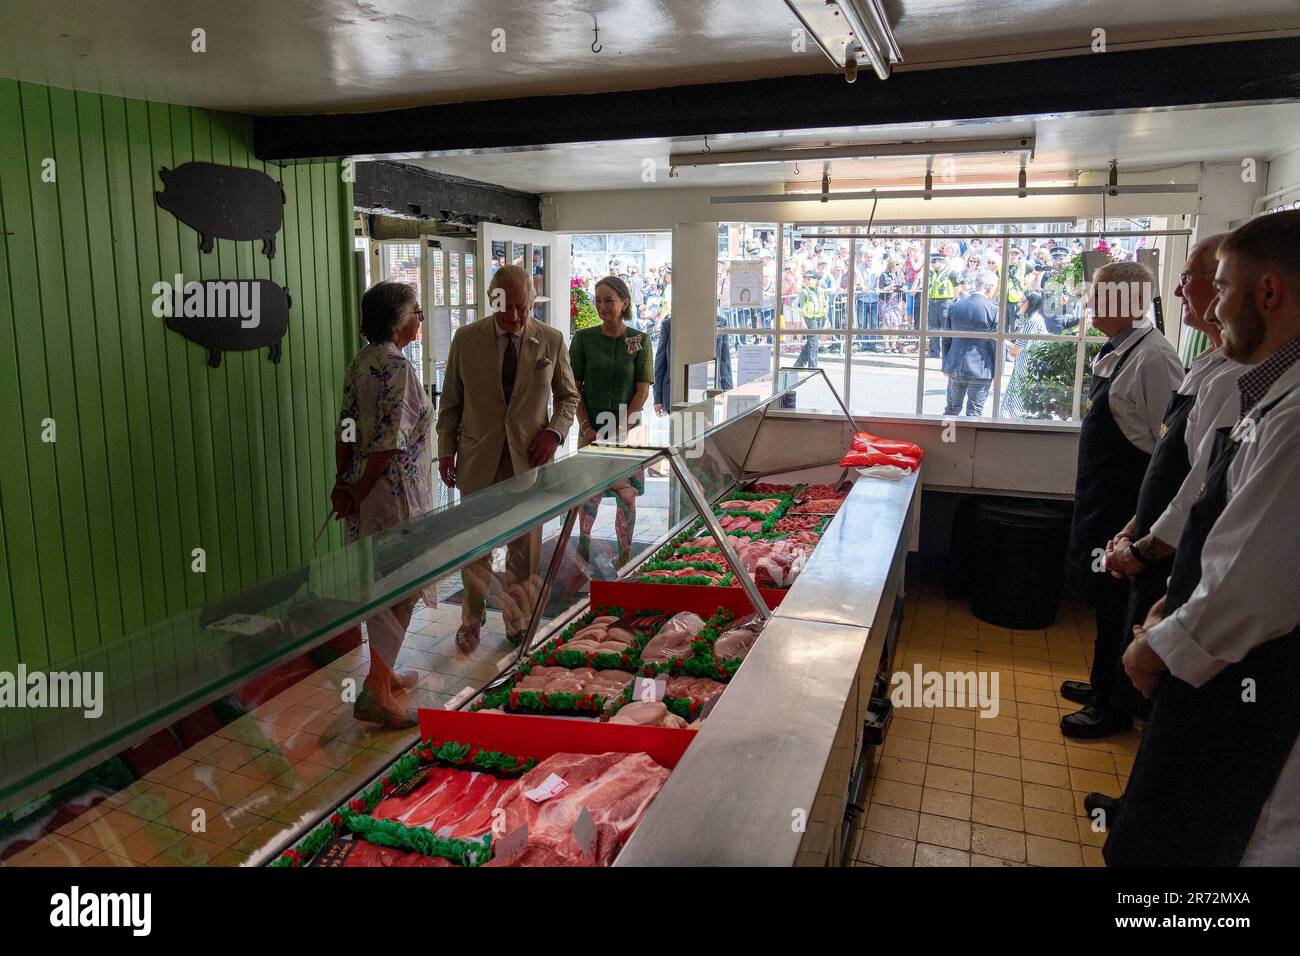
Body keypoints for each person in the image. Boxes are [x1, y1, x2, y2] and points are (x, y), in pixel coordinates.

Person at [1106, 210, 1300, 866]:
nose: (1210, 307)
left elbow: (1254, 581)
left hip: (1246, 674)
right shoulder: (1268, 396)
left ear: (1268, 294)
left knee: (1195, 839)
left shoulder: (1293, 419)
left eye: (1219, 287)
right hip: (1208, 641)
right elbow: (1215, 517)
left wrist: (1160, 643)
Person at [1060, 261, 1183, 739]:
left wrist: (1141, 528)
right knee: (1103, 604)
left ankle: (1112, 706)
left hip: (1125, 506)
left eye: (1100, 296)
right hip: (1100, 499)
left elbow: (1172, 451)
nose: (1090, 304)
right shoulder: (1118, 352)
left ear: (1130, 302)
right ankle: (1099, 685)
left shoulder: (1155, 359)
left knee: (1120, 606)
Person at [438, 264, 580, 652]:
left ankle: (517, 622)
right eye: (506, 308)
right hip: (477, 459)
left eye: (523, 308)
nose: (515, 317)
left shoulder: (550, 340)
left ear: (532, 302)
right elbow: (450, 402)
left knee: (524, 546)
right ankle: (472, 616)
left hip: (528, 462)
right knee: (475, 544)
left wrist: (554, 432)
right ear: (491, 299)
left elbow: (568, 397)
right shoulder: (466, 339)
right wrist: (445, 451)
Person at [332, 281, 434, 728]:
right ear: (397, 319)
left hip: (365, 492)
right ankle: (375, 690)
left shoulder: (362, 361)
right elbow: (390, 444)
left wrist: (345, 483)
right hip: (395, 497)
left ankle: (382, 672)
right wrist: (361, 487)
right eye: (416, 311)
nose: (421, 319)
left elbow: (346, 430)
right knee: (404, 588)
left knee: (380, 584)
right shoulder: (398, 367)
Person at [571, 276, 654, 568]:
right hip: (590, 432)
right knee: (587, 496)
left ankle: (625, 555)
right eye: (598, 300)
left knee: (627, 495)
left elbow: (642, 390)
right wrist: (586, 428)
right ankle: (582, 544)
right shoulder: (583, 340)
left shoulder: (640, 340)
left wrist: (619, 430)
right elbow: (574, 388)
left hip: (628, 436)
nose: (602, 306)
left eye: (609, 300)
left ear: (624, 302)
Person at [942, 270, 999, 416]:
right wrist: (997, 371)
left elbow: (946, 338)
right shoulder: (993, 310)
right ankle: (968, 439)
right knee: (974, 412)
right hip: (982, 367)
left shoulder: (955, 307)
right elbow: (996, 344)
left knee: (951, 410)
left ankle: (947, 439)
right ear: (990, 287)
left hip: (956, 364)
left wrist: (946, 366)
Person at [1001, 290, 1049, 418]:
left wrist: (999, 339)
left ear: (1031, 303)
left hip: (1027, 368)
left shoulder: (1032, 321)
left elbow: (1018, 348)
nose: (1018, 304)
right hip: (1025, 367)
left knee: (1018, 402)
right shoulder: (1030, 318)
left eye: (1022, 301)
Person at [926, 249, 958, 358]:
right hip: (933, 301)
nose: (933, 264)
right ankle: (934, 351)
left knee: (946, 328)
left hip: (945, 301)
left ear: (941, 261)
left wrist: (951, 301)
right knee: (933, 327)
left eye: (935, 262)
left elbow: (956, 288)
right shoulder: (931, 273)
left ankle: (947, 352)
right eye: (932, 262)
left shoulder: (950, 272)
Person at [877, 255, 909, 352]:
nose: (899, 266)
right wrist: (889, 287)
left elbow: (905, 285)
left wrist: (904, 288)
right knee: (886, 324)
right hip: (886, 301)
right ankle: (886, 346)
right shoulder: (884, 275)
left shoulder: (900, 274)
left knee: (895, 324)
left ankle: (894, 345)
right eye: (897, 264)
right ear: (892, 265)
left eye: (899, 264)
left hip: (896, 301)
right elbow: (880, 288)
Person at [653, 315, 671, 416]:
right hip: (672, 393)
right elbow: (660, 362)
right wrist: (657, 398)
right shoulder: (668, 324)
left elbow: (724, 360)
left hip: (705, 393)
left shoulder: (718, 322)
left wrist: (726, 390)